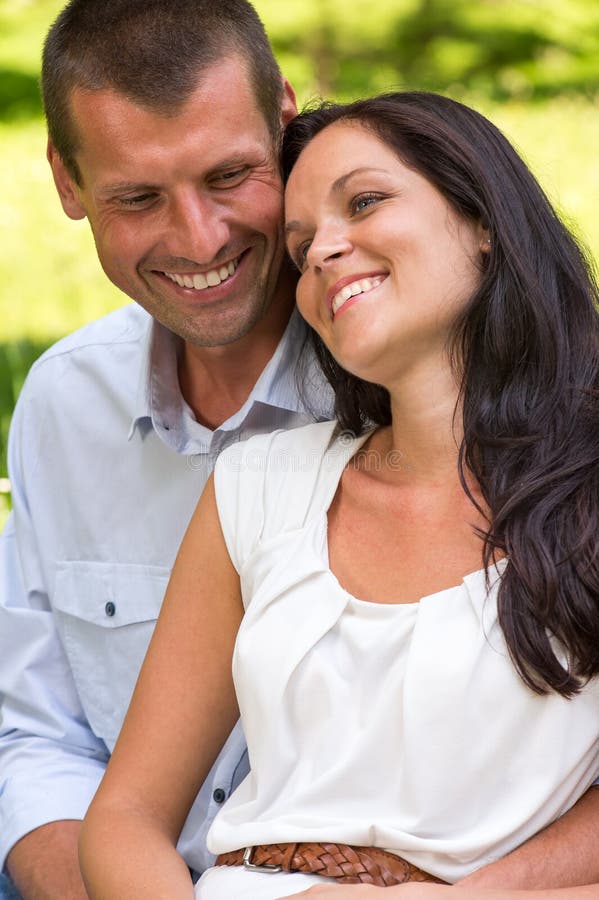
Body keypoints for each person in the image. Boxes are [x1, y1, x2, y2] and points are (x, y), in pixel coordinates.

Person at [0, 0, 598, 894]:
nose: (201, 239)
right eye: (137, 196)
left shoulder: (561, 471)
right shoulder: (123, 426)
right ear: (70, 183)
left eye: (231, 177)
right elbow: (47, 749)